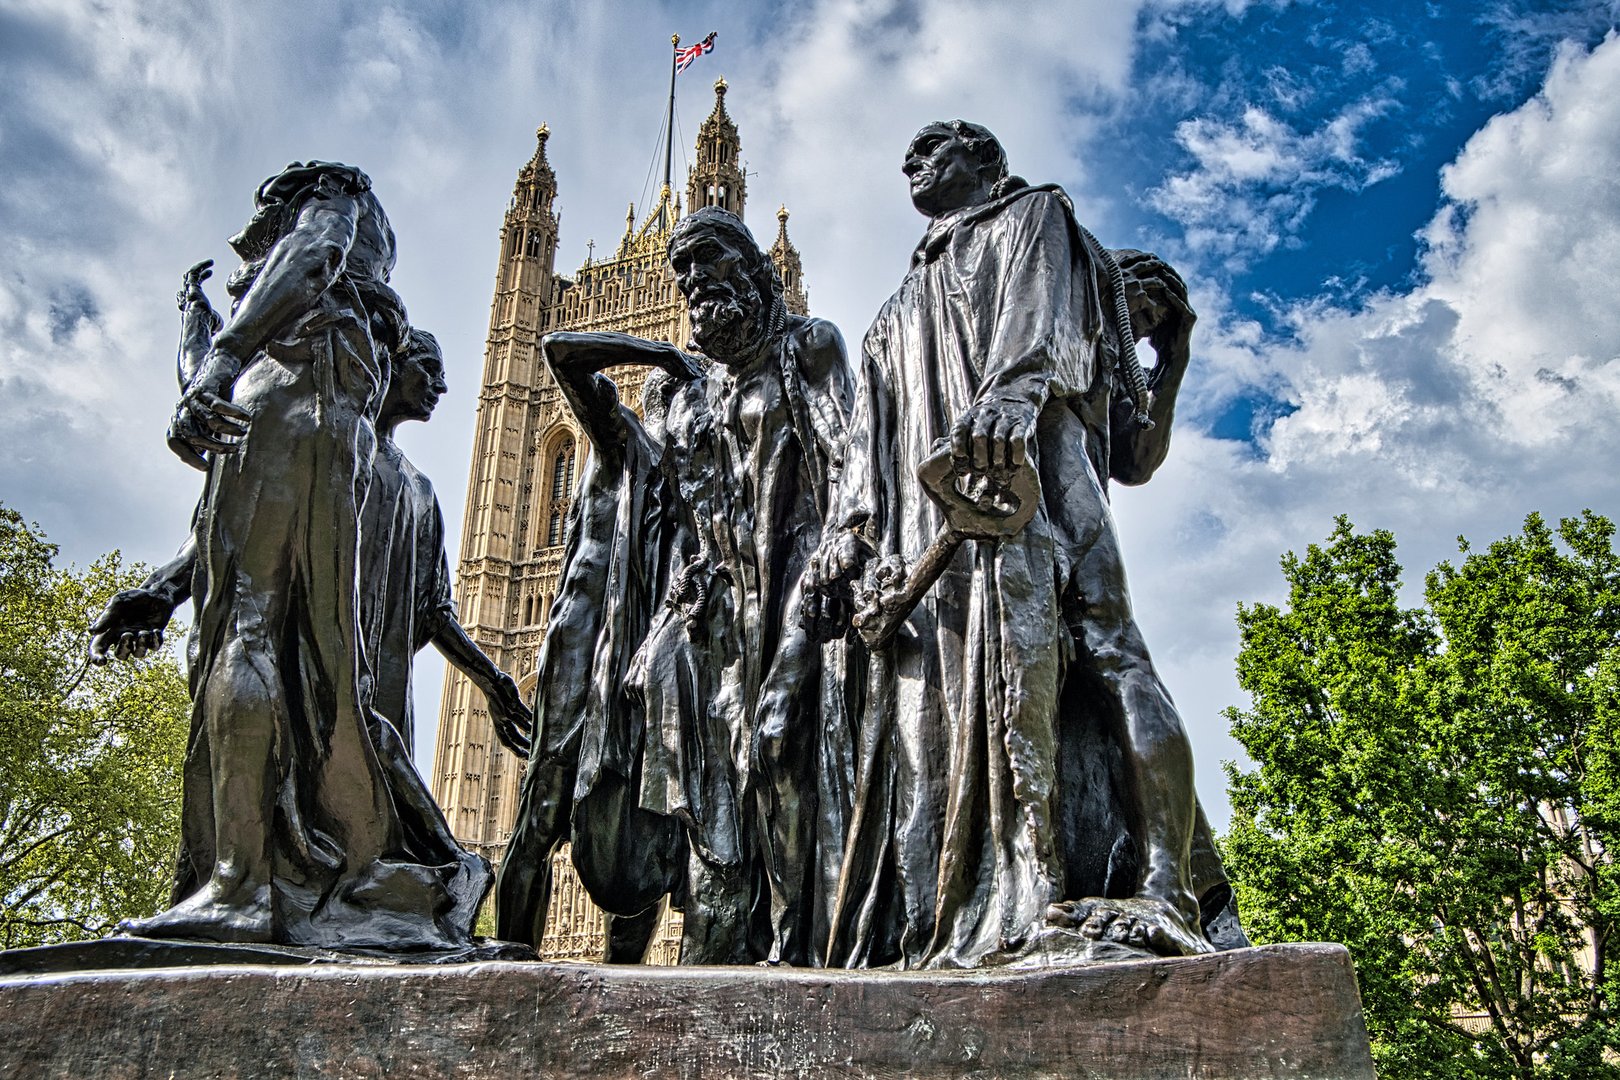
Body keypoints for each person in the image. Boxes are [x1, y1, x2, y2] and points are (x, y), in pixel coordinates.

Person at [805, 122, 1232, 969]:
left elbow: (1087, 392)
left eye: (933, 146)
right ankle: (979, 900)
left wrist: (1021, 388)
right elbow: (866, 443)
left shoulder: (1036, 217)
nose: (909, 159)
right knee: (944, 714)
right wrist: (844, 537)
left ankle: (1169, 889)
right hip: (942, 540)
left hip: (1040, 477)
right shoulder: (890, 319)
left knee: (1112, 653)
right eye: (908, 151)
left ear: (985, 161)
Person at [110, 161, 480, 950]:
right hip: (326, 430)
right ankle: (362, 872)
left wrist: (218, 354)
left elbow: (292, 286)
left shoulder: (330, 204)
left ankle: (238, 885)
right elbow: (222, 394)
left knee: (248, 633)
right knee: (326, 676)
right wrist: (199, 332)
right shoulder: (349, 326)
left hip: (289, 412)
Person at [497, 207, 855, 966]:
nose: (697, 299)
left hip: (748, 610)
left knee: (751, 778)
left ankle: (783, 939)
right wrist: (661, 356)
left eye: (709, 278)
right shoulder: (632, 428)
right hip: (616, 628)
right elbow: (560, 355)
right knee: (574, 800)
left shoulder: (777, 367)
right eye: (684, 283)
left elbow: (821, 488)